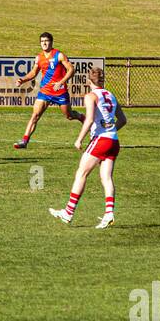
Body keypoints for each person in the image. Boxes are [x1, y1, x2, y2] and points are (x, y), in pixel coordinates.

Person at [49, 67, 126, 229]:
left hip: (101, 141)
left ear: (88, 81)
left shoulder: (90, 96)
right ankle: (109, 213)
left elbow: (90, 119)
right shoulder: (111, 95)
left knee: (81, 173)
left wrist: (79, 139)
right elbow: (123, 120)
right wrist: (110, 130)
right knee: (106, 178)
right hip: (114, 141)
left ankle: (68, 213)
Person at [14, 32, 85, 148]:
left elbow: (71, 70)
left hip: (60, 91)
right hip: (45, 91)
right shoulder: (39, 57)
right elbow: (33, 72)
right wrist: (23, 79)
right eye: (42, 41)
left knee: (69, 115)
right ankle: (24, 141)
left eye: (46, 41)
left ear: (51, 42)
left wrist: (61, 82)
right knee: (35, 115)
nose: (44, 43)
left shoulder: (59, 55)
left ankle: (81, 117)